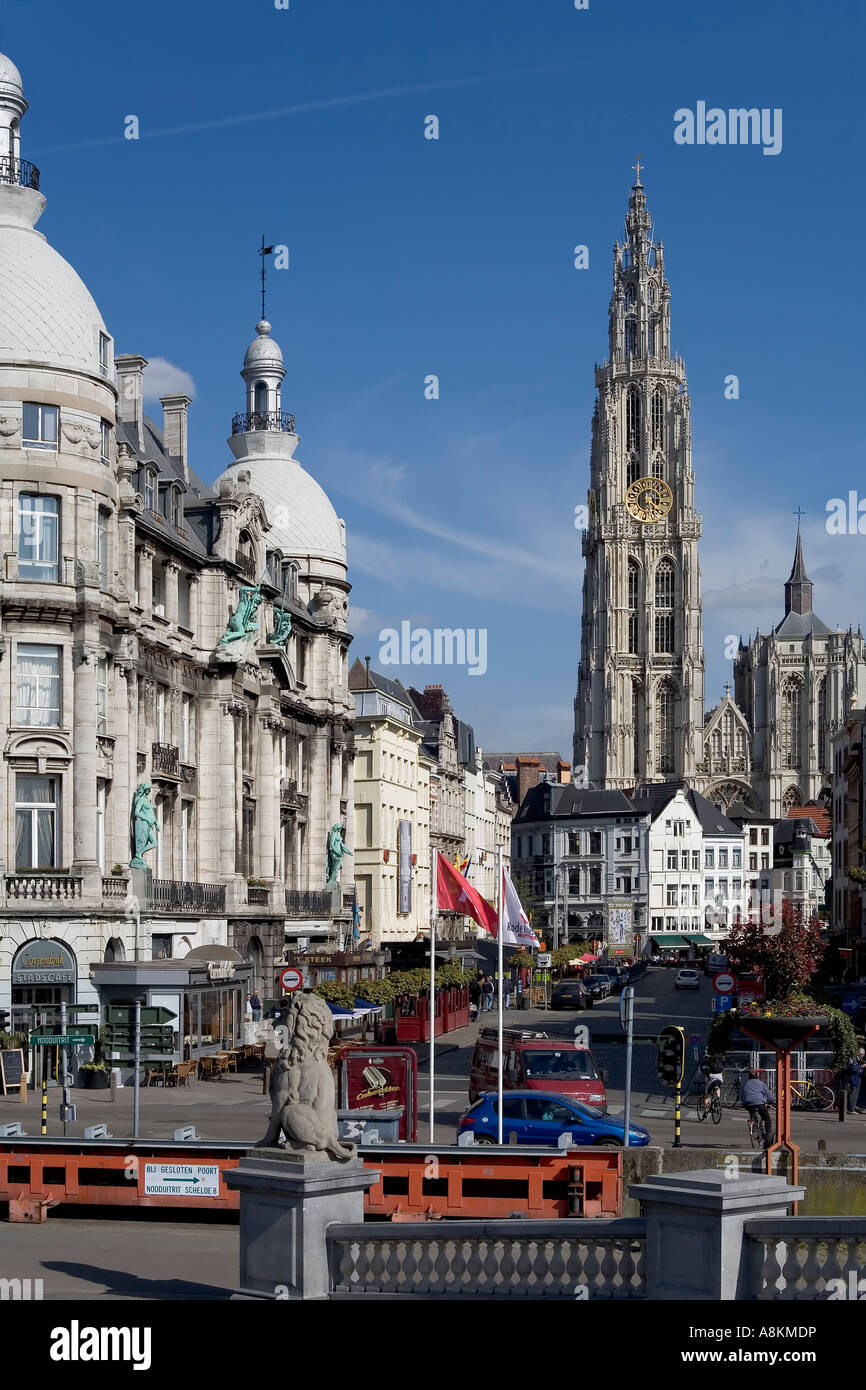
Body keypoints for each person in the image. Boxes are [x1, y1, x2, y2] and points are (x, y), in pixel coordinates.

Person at [741, 1069, 775, 1148]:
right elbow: (769, 1096)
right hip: (759, 1104)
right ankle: (768, 1138)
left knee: (752, 1113)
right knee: (767, 1119)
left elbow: (742, 1096)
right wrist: (772, 1101)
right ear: (757, 1077)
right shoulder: (761, 1083)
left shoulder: (745, 1084)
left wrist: (744, 1103)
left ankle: (754, 1124)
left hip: (748, 1104)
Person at [845, 1048, 864, 1114]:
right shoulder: (853, 1059)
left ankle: (853, 1107)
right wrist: (861, 1067)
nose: (863, 1056)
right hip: (853, 1079)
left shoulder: (859, 1060)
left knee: (856, 1095)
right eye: (862, 1054)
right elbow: (852, 1068)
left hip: (857, 1078)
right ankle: (851, 1110)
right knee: (853, 1094)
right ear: (860, 1054)